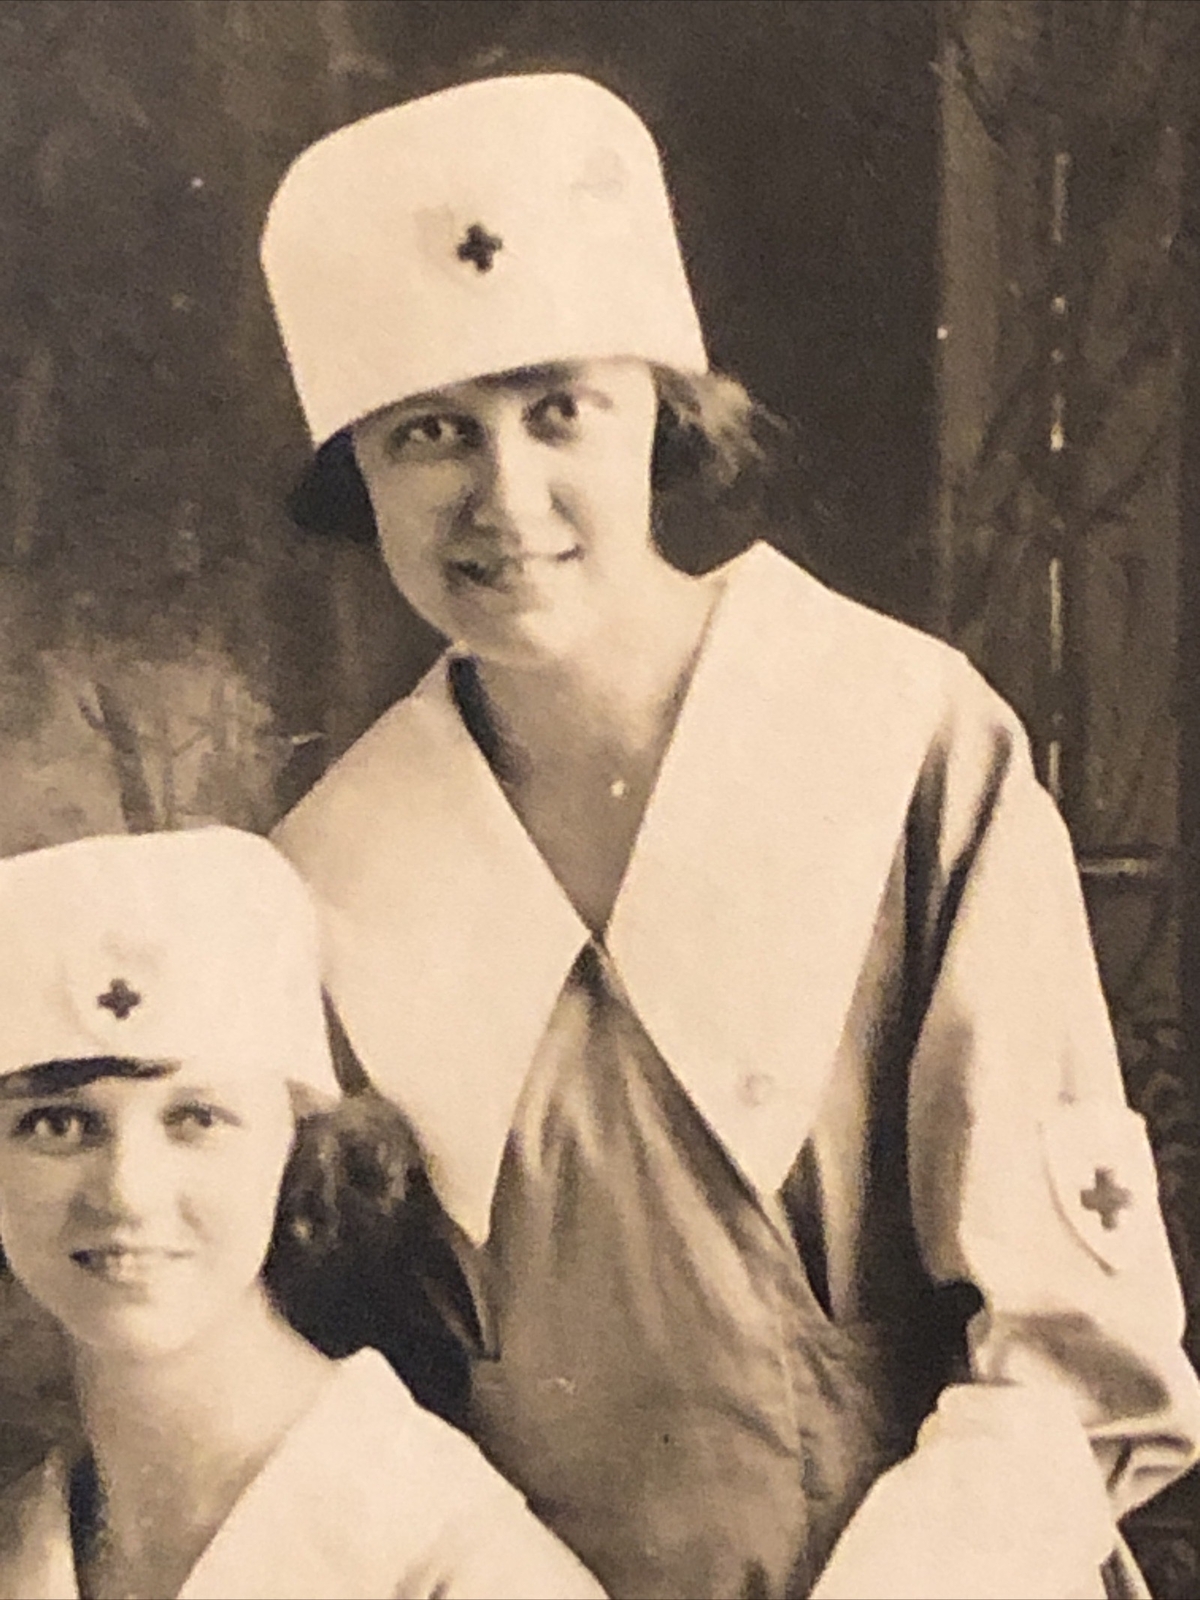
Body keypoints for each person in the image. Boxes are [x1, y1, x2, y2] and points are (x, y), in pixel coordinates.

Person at [261, 73, 1200, 1599]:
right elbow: (348, 1413)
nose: (505, 497)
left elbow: (1069, 1353)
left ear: (661, 413)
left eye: (560, 407)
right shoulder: (329, 873)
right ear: (354, 475)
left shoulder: (898, 735)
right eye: (429, 433)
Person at [0, 827, 604, 1600]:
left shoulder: (451, 1561)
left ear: (298, 1146)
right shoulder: (31, 1543)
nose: (127, 1192)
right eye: (58, 1124)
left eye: (197, 1119)